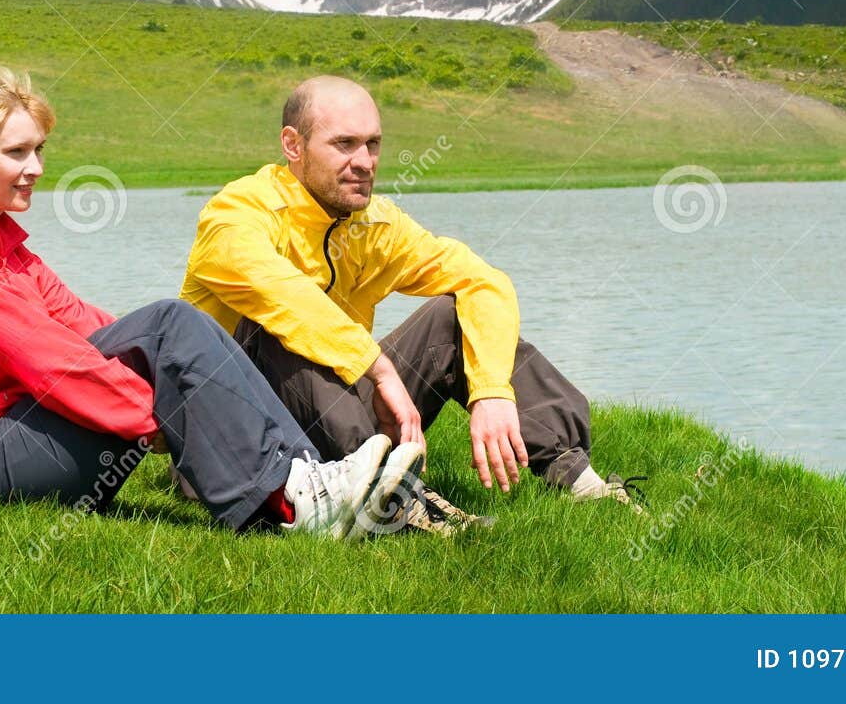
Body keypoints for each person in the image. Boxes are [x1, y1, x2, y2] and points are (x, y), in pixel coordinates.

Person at [0, 66, 425, 540]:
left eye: (39, 149)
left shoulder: (0, 243)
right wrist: (157, 410)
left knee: (174, 326)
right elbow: (48, 361)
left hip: (24, 438)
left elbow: (85, 325)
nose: (36, 167)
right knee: (169, 325)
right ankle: (302, 495)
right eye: (17, 152)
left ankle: (305, 487)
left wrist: (179, 383)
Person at [181, 75, 644, 534]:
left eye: (373, 144)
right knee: (277, 325)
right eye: (344, 144)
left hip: (334, 411)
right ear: (293, 145)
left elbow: (483, 283)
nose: (364, 162)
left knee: (452, 317)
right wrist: (377, 367)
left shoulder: (375, 225)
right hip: (235, 443)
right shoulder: (236, 212)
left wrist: (491, 390)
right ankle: (395, 499)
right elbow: (279, 294)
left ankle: (578, 479)